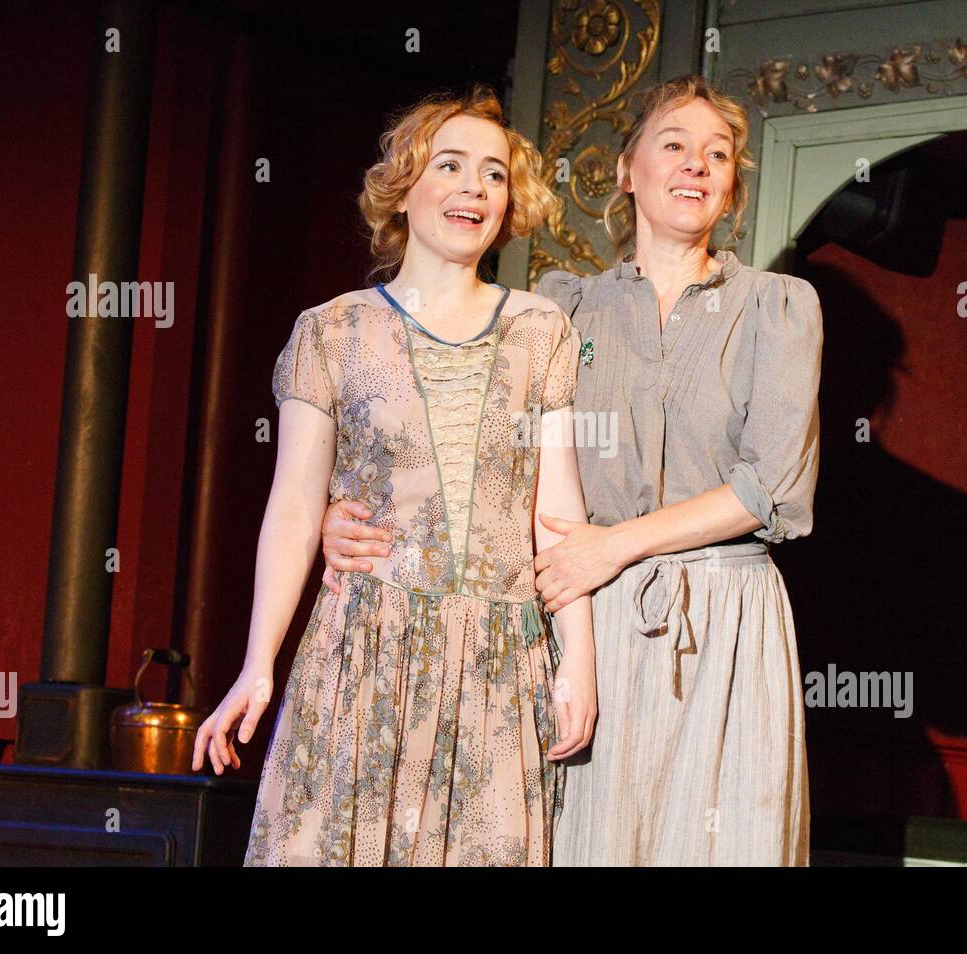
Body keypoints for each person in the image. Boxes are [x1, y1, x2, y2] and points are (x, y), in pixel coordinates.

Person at [321, 74, 822, 866]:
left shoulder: (778, 307)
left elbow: (775, 488)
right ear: (626, 172)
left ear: (732, 186)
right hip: (587, 620)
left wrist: (613, 545)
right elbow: (481, 453)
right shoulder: (560, 312)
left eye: (718, 155)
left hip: (726, 620)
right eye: (675, 146)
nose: (697, 165)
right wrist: (349, 516)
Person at [191, 85, 596, 867]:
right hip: (364, 653)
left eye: (493, 174)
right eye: (450, 166)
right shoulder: (333, 331)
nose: (474, 188)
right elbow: (294, 507)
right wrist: (257, 661)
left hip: (499, 664)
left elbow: (559, 513)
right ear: (404, 187)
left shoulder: (541, 331)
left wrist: (577, 657)